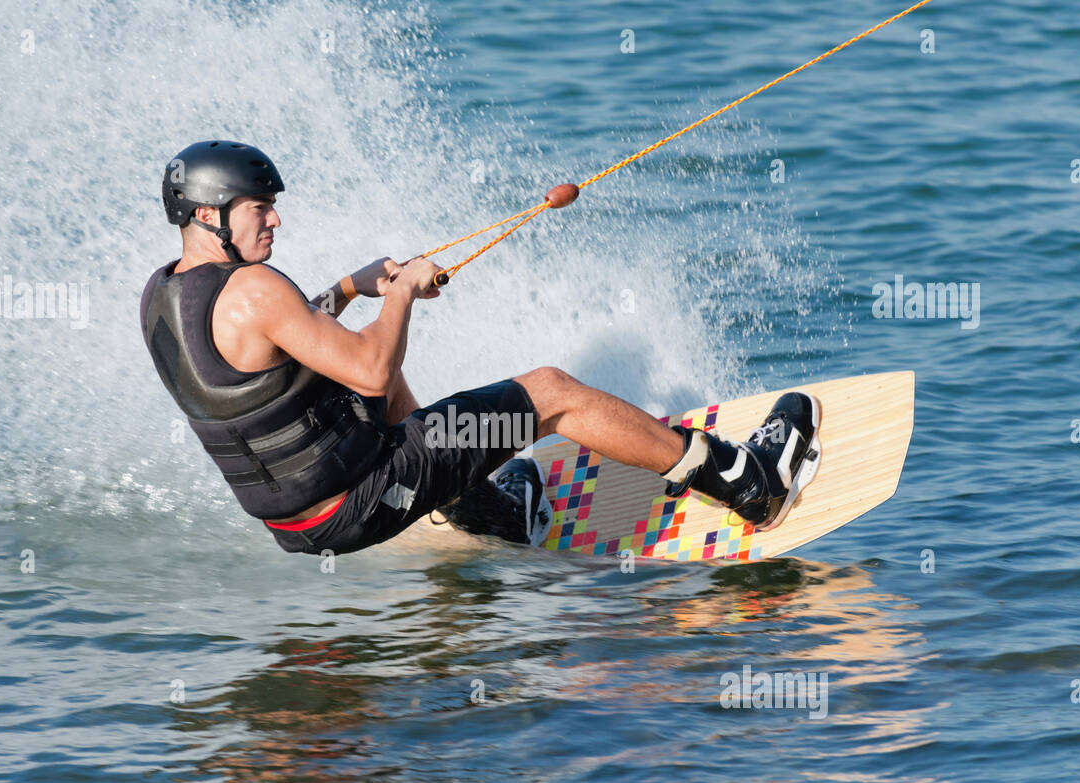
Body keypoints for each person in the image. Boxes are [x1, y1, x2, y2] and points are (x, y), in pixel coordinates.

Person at [139, 140, 820, 556]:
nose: (276, 217)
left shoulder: (164, 297)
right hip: (358, 500)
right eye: (261, 207)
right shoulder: (256, 287)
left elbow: (272, 347)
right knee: (550, 391)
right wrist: (402, 291)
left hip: (294, 522)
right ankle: (748, 481)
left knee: (384, 401)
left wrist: (351, 287)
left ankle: (486, 511)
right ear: (210, 214)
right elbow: (374, 370)